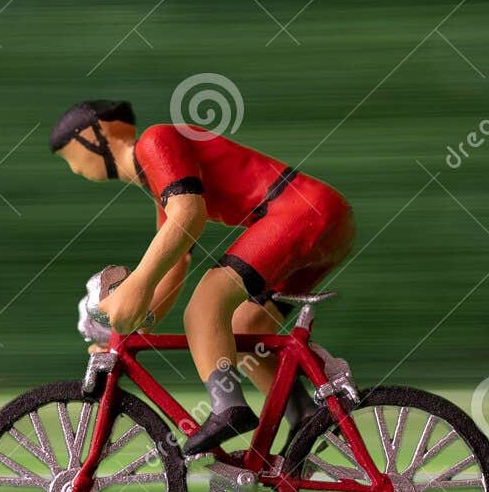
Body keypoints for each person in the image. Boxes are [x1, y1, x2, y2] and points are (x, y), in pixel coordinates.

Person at [51, 99, 355, 455]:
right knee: (245, 329)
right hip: (321, 217)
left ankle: (228, 407)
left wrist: (136, 286)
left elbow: (188, 215)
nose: (74, 168)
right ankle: (305, 416)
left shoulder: (155, 140)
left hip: (300, 211)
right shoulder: (162, 184)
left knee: (207, 305)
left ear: (95, 133)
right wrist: (133, 327)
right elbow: (175, 264)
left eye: (69, 154)